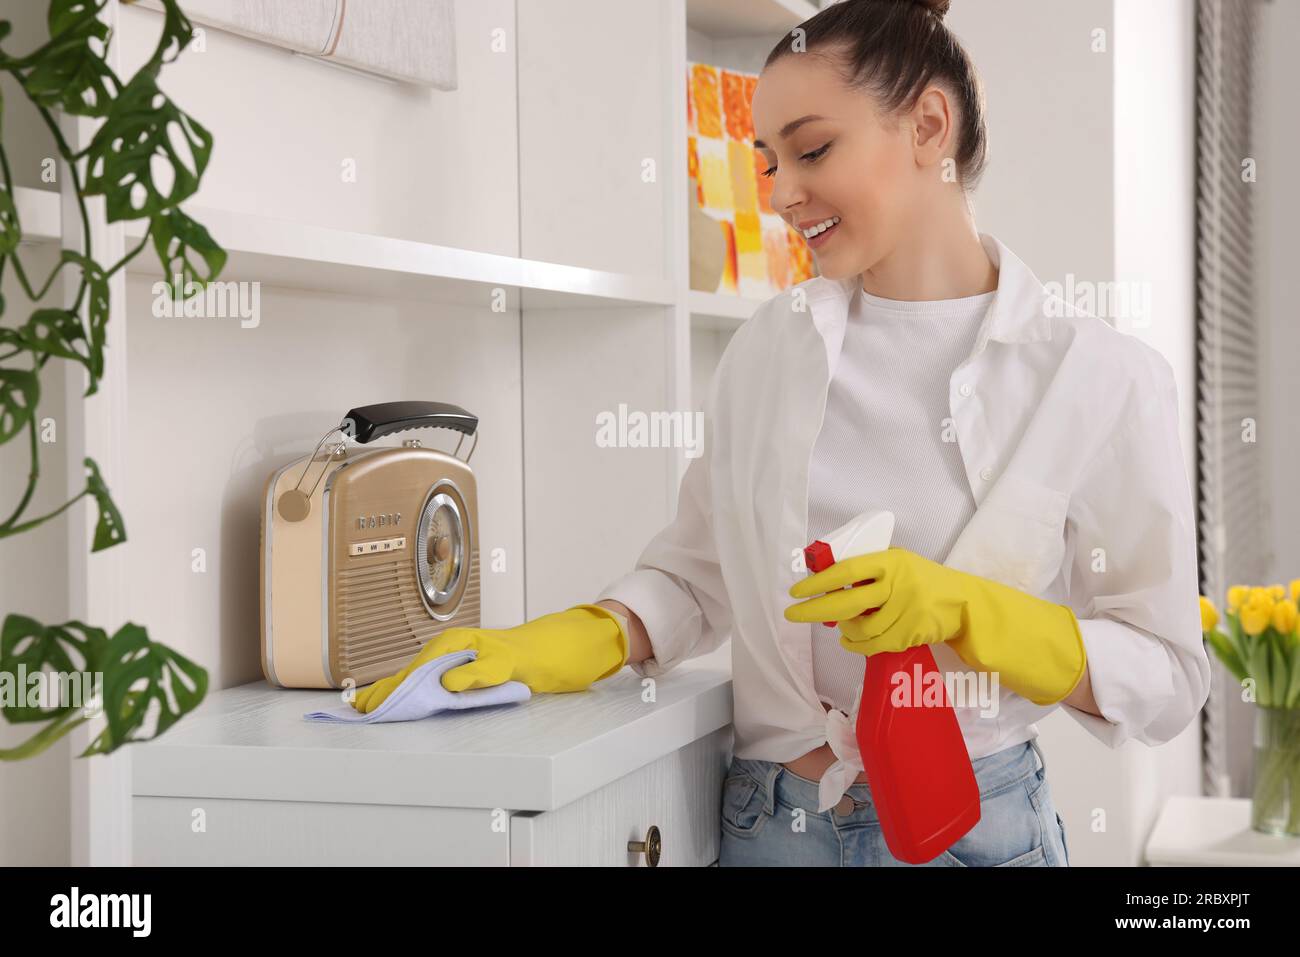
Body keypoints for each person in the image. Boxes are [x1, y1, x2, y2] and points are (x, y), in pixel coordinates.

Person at [355, 0, 1210, 867]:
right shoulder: (771, 348)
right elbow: (696, 576)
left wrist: (972, 612)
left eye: (811, 151)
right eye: (768, 163)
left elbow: (1169, 673)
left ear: (927, 125)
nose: (779, 195)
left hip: (974, 830)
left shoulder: (1099, 377)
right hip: (772, 826)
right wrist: (567, 641)